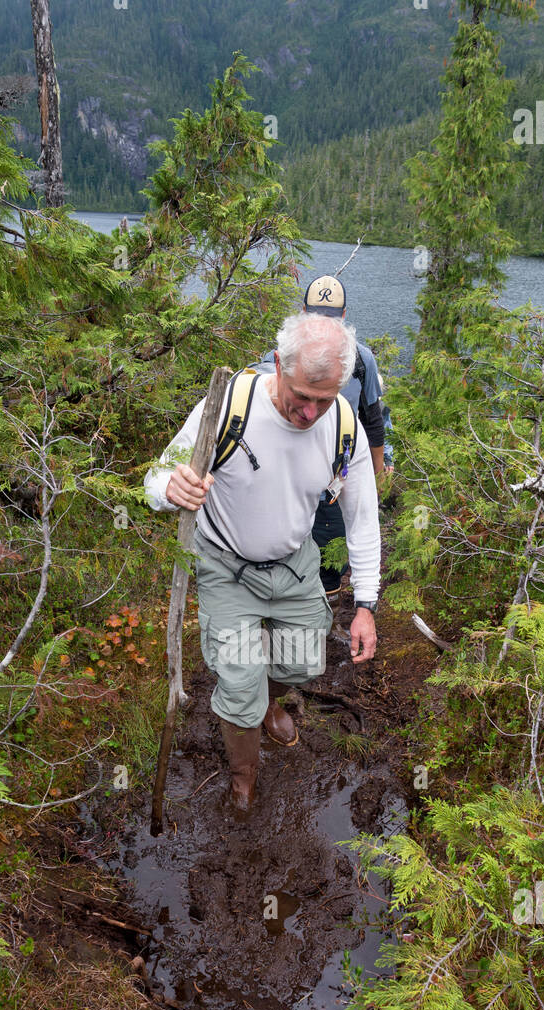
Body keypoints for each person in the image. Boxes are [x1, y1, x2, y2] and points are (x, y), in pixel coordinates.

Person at [143, 313, 381, 811]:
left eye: (325, 398)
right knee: (238, 683)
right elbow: (158, 476)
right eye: (301, 396)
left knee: (298, 661)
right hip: (226, 566)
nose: (310, 413)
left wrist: (366, 605)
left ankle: (270, 702)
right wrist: (170, 487)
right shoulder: (231, 405)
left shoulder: (342, 424)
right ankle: (242, 778)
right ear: (278, 365)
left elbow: (363, 519)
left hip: (294, 564)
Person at [260, 275, 391, 621]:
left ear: (344, 315)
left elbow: (373, 420)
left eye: (330, 317)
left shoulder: (360, 361)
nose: (322, 323)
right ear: (302, 312)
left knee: (332, 551)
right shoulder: (283, 356)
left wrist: (373, 476)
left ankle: (322, 621)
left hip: (338, 473)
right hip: (287, 475)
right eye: (315, 315)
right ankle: (278, 617)